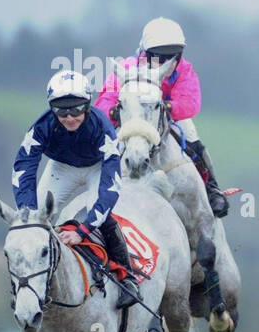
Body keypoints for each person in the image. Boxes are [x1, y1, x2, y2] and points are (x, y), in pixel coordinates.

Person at [13, 70, 136, 308]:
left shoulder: (102, 128)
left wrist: (82, 230)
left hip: (97, 167)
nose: (70, 117)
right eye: (61, 110)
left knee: (101, 214)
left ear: (88, 104)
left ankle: (127, 277)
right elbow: (23, 168)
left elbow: (111, 187)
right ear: (51, 109)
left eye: (77, 109)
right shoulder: (42, 126)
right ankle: (31, 283)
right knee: (35, 218)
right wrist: (27, 210)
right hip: (62, 167)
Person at [94, 17, 229, 218]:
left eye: (172, 56)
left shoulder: (184, 69)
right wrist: (113, 112)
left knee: (192, 137)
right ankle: (94, 189)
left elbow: (190, 101)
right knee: (102, 142)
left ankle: (212, 189)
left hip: (169, 115)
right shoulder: (127, 69)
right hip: (132, 118)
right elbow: (105, 99)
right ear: (145, 53)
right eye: (160, 56)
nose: (167, 62)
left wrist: (165, 108)